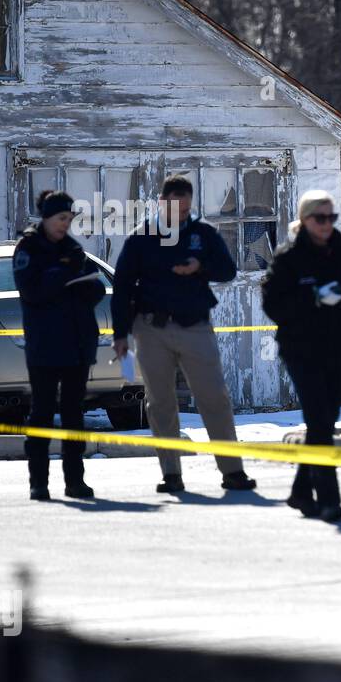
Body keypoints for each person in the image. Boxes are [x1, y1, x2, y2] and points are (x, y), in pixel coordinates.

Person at [111, 175, 257, 494]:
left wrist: (199, 266)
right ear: (162, 203)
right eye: (176, 208)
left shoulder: (203, 233)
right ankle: (171, 475)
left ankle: (233, 471)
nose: (181, 214)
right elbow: (121, 287)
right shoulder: (141, 238)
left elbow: (228, 270)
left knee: (214, 397)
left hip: (195, 326)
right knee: (160, 403)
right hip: (151, 329)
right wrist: (120, 334)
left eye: (186, 209)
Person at [261, 190, 341, 522]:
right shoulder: (289, 258)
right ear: (305, 219)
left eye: (331, 218)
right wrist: (314, 297)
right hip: (303, 350)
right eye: (319, 218)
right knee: (319, 421)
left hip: (339, 348)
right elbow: (274, 306)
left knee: (325, 422)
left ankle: (300, 491)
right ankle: (329, 501)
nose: (326, 224)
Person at [13, 190, 107, 501]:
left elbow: (95, 288)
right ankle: (38, 482)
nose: (65, 224)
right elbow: (32, 292)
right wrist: (64, 276)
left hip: (77, 343)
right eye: (61, 218)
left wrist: (77, 283)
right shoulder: (29, 248)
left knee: (73, 414)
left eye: (69, 219)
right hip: (45, 344)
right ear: (47, 217)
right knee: (41, 412)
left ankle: (75, 481)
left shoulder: (73, 249)